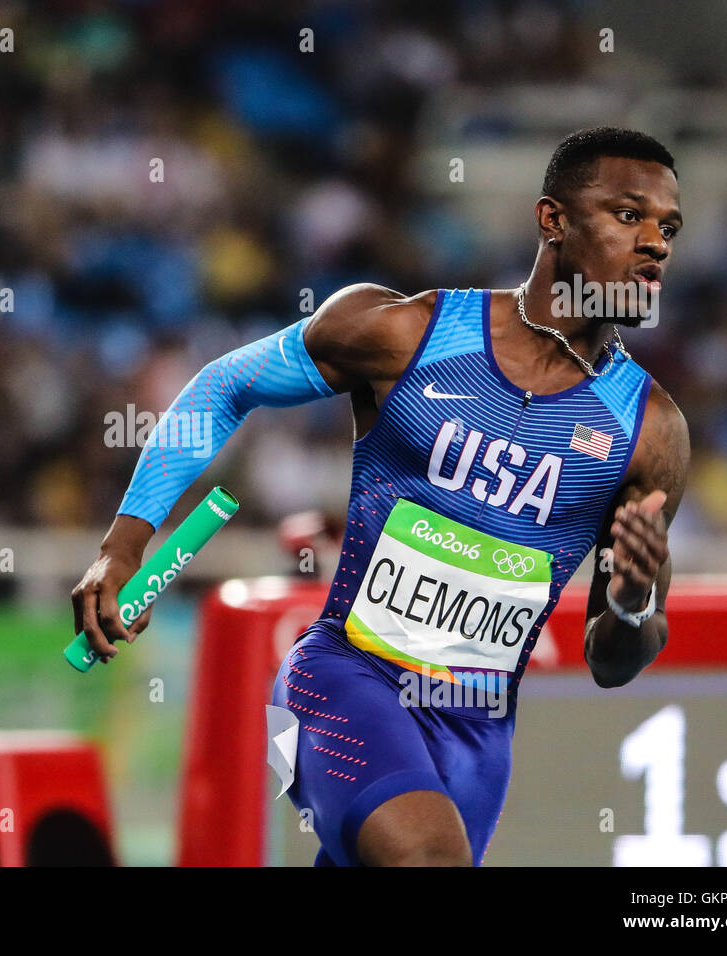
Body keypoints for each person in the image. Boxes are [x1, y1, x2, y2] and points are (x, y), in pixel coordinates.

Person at [71, 127, 688, 866]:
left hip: (476, 736)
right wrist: (123, 547)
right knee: (428, 859)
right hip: (341, 680)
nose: (655, 245)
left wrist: (631, 602)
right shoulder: (405, 332)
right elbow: (223, 387)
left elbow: (612, 663)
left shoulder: (650, 432)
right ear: (552, 220)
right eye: (629, 215)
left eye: (669, 229)